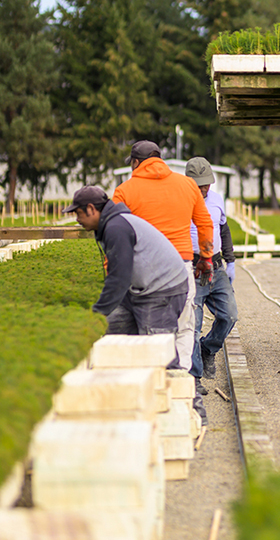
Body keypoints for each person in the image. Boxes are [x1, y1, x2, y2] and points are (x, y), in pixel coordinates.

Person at [112, 140, 214, 421]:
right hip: (181, 266)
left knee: (149, 333)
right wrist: (205, 257)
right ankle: (183, 390)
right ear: (160, 159)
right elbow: (205, 224)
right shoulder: (187, 185)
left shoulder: (125, 191)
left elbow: (115, 233)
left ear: (134, 163)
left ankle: (150, 396)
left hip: (143, 270)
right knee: (183, 328)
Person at [67, 186, 189, 359]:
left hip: (162, 290)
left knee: (157, 354)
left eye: (78, 213)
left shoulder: (116, 227)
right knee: (115, 334)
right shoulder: (112, 224)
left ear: (91, 209)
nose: (77, 220)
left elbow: (118, 278)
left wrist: (97, 312)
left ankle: (172, 383)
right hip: (137, 290)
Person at [184, 157, 239, 381]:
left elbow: (224, 231)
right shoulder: (181, 203)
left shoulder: (217, 200)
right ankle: (194, 379)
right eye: (198, 185)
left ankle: (208, 349)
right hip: (192, 268)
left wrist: (231, 260)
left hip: (216, 267)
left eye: (206, 184)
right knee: (193, 326)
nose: (203, 188)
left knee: (229, 316)